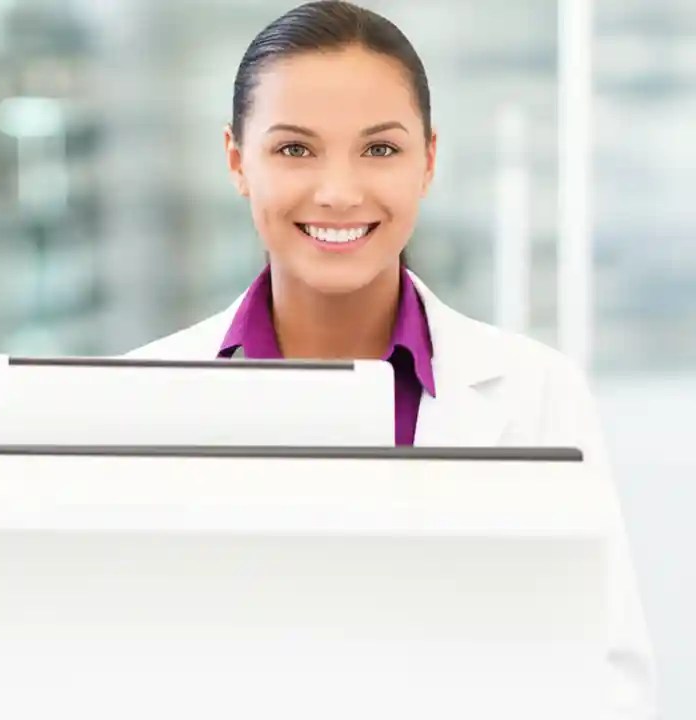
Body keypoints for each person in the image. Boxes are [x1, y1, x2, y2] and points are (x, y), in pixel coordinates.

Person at [130, 1, 656, 717]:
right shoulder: (141, 397)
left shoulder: (538, 395)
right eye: (294, 149)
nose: (340, 192)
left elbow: (611, 679)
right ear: (236, 161)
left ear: (429, 160)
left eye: (380, 149)